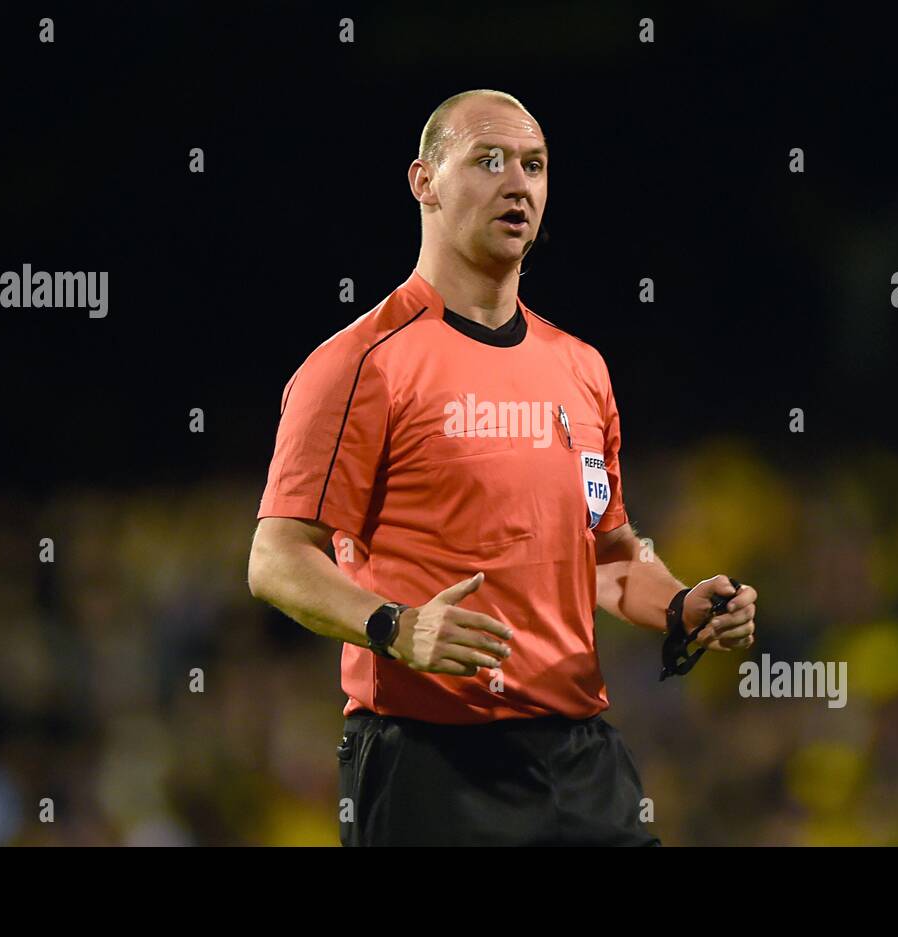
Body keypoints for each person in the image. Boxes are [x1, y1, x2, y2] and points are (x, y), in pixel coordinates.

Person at [247, 89, 759, 845]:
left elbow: (610, 559)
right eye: (487, 160)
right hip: (428, 766)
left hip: (579, 761)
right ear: (424, 181)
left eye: (534, 165)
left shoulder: (580, 367)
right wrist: (393, 626)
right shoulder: (359, 364)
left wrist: (680, 605)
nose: (517, 182)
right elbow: (275, 559)